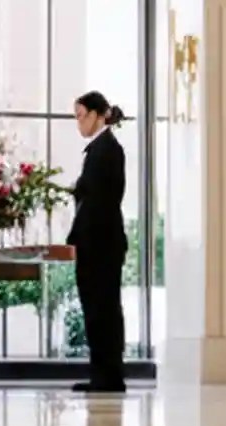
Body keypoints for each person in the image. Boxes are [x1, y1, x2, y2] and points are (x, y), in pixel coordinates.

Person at [68, 91, 127, 393]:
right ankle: (102, 376)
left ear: (96, 115)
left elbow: (101, 202)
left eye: (81, 116)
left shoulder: (107, 149)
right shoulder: (100, 149)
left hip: (101, 245)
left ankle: (108, 378)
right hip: (98, 243)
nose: (78, 123)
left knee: (102, 311)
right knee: (98, 311)